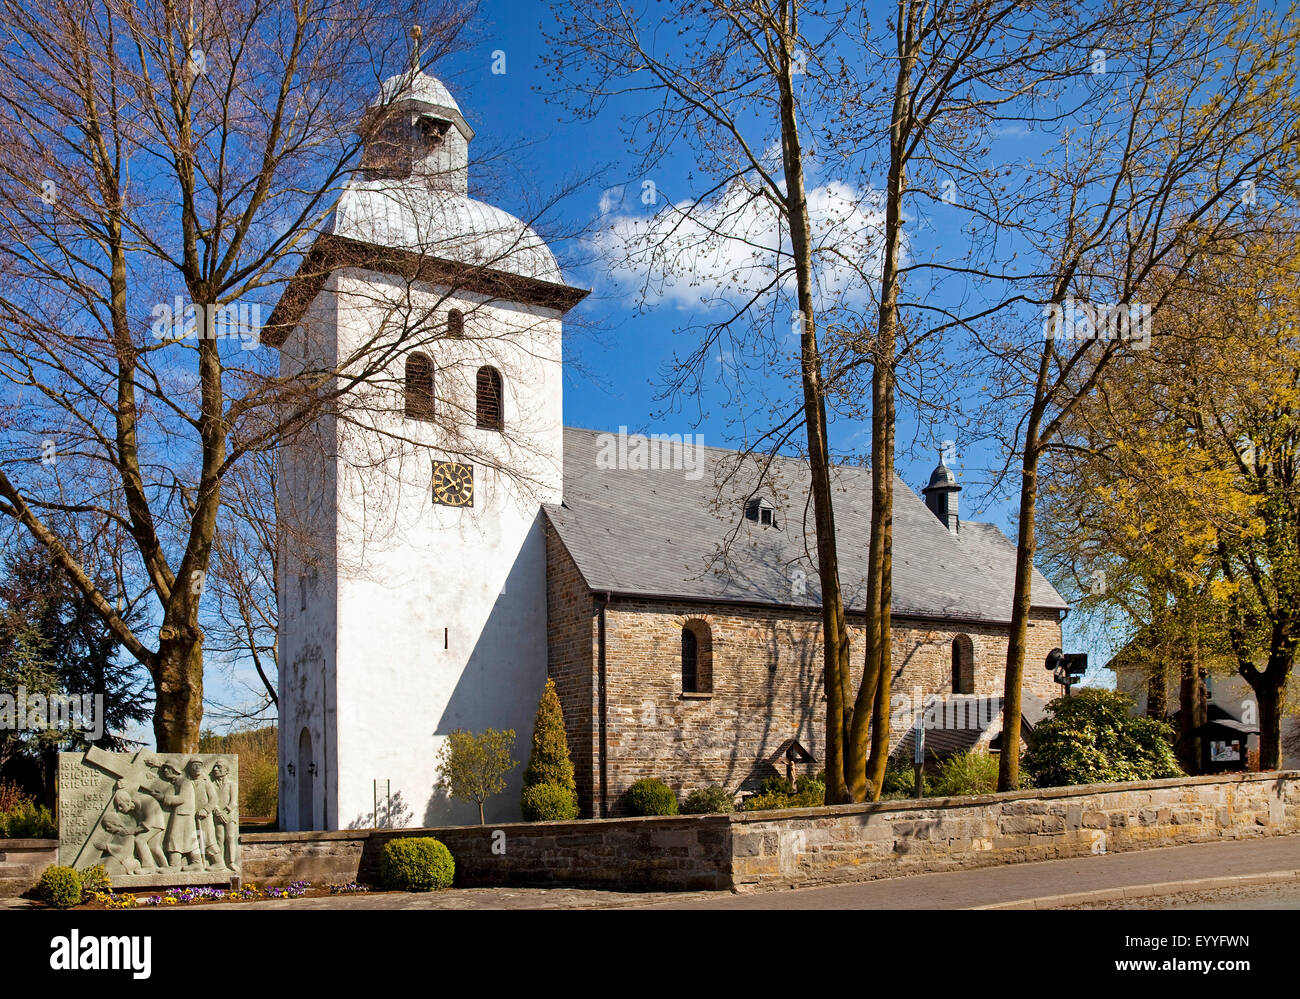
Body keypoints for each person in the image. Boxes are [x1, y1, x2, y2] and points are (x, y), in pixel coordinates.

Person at [145, 758, 203, 870]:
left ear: (175, 770)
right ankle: (195, 863)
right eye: (165, 768)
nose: (165, 770)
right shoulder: (177, 782)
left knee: (175, 839)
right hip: (181, 814)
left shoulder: (184, 782)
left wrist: (163, 798)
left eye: (168, 768)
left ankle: (175, 865)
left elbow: (182, 799)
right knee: (184, 839)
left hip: (183, 815)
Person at [187, 758, 222, 870]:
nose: (197, 768)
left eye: (199, 765)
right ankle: (197, 863)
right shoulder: (189, 783)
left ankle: (219, 863)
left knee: (209, 840)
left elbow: (214, 798)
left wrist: (206, 810)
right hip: (192, 817)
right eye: (194, 765)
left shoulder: (206, 783)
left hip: (205, 817)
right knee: (194, 839)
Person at [210, 761, 239, 873]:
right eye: (215, 767)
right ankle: (219, 863)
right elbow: (211, 799)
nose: (216, 769)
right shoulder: (212, 785)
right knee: (219, 839)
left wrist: (225, 812)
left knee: (230, 837)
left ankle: (231, 862)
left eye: (219, 767)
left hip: (229, 815)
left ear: (226, 770)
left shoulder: (232, 785)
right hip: (217, 815)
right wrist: (217, 811)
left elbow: (233, 802)